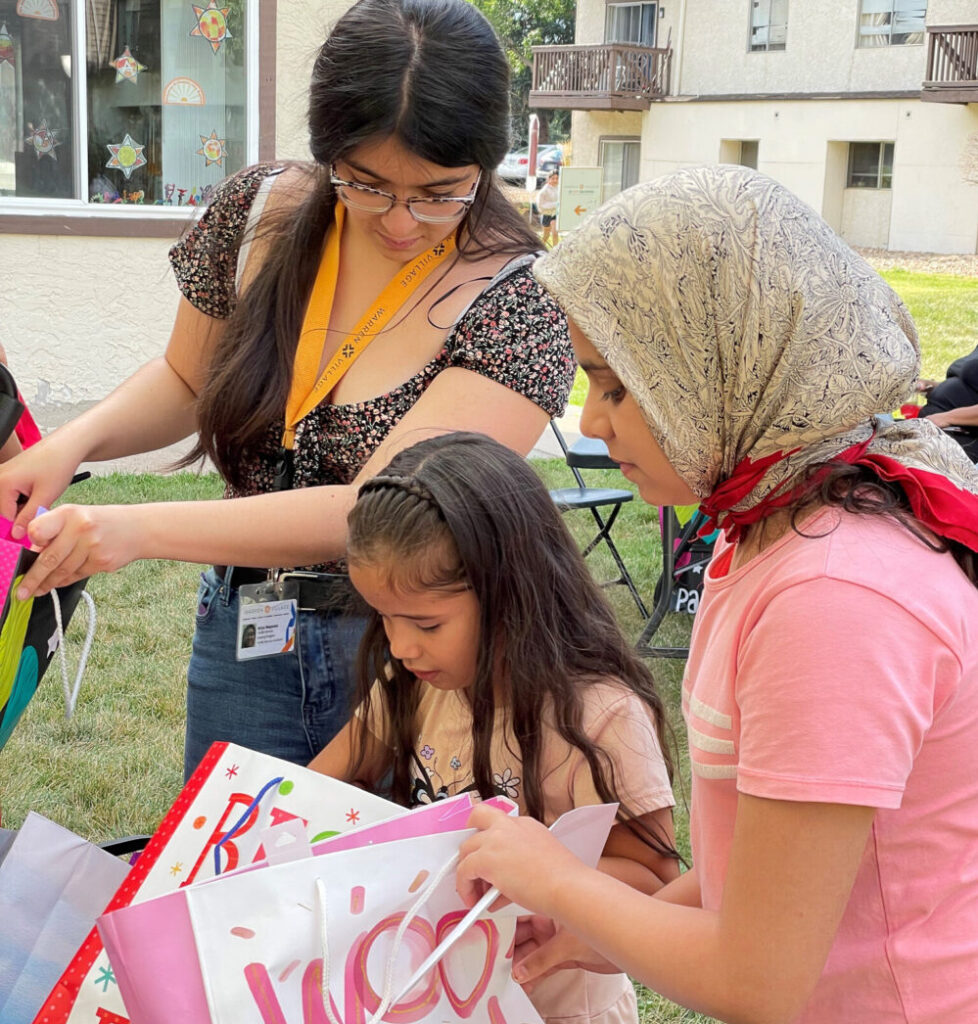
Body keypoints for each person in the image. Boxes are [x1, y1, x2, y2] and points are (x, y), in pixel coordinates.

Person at [455, 167, 978, 1023]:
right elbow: (771, 868)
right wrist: (604, 929)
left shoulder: (835, 599)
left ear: (721, 368)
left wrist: (560, 882)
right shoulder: (774, 531)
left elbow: (759, 981)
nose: (591, 420)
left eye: (618, 385)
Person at [0, 0, 574, 777]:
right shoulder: (262, 212)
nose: (401, 223)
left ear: (487, 165)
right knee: (227, 874)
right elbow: (183, 378)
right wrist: (73, 443)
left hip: (408, 645)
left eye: (439, 194)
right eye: (366, 185)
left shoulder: (519, 303)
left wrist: (134, 529)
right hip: (242, 625)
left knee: (374, 881)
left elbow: (370, 511)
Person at [309, 430, 680, 1024]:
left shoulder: (600, 719)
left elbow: (658, 888)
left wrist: (540, 884)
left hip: (559, 1010)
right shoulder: (416, 684)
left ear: (514, 594)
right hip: (442, 1003)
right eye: (385, 619)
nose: (400, 646)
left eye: (426, 625)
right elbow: (310, 792)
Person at [917, 344, 978, 461]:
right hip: (938, 424)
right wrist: (929, 386)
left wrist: (946, 418)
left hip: (963, 436)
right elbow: (969, 388)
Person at [537, 171, 560, 248]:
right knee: (546, 235)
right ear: (548, 179)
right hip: (546, 214)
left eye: (557, 178)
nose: (555, 180)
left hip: (555, 214)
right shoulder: (544, 191)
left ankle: (555, 252)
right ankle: (539, 247)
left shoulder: (559, 188)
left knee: (555, 233)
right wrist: (555, 204)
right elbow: (540, 205)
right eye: (553, 178)